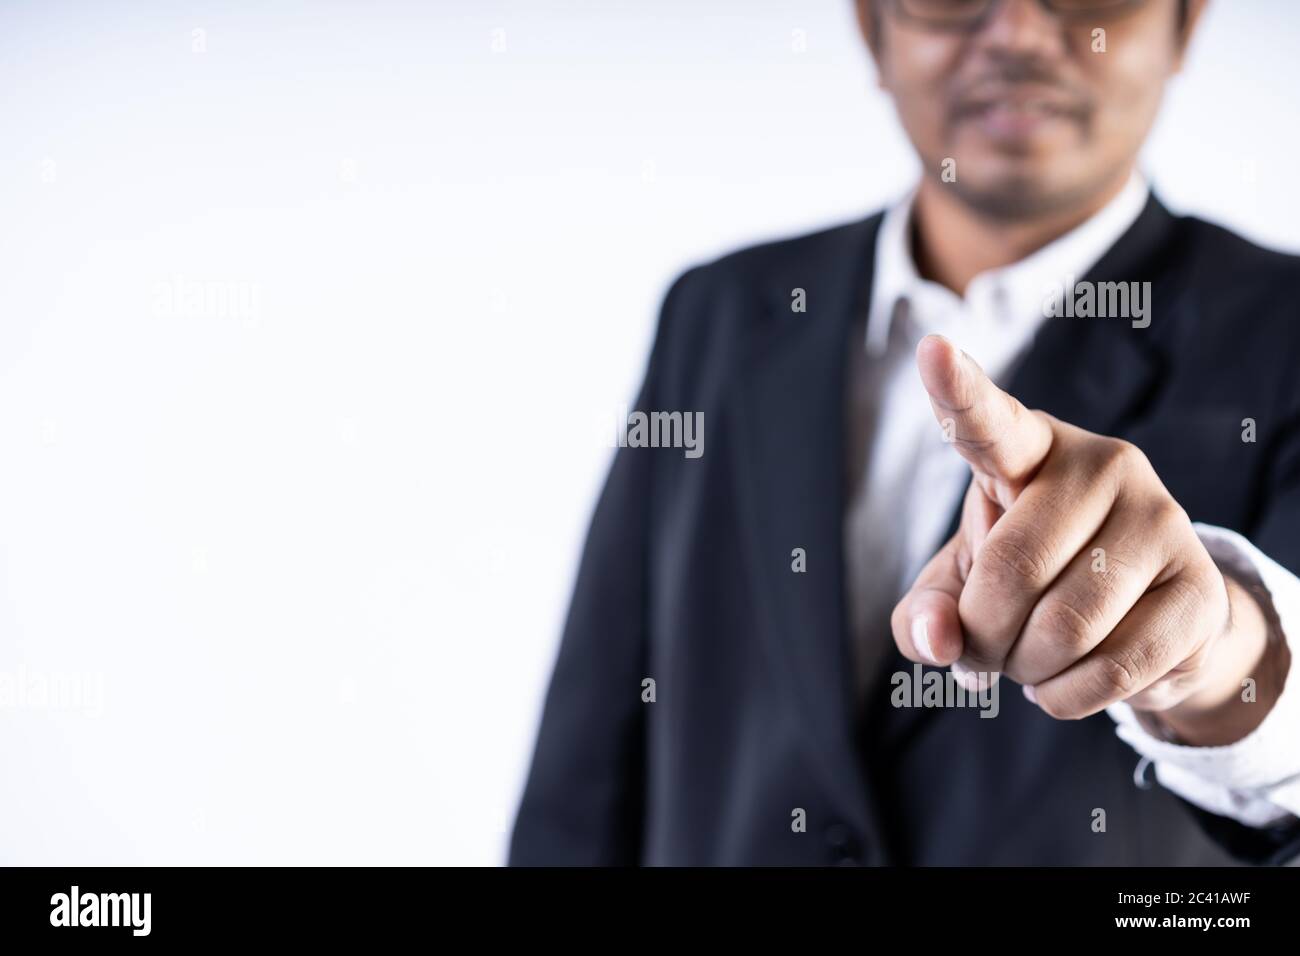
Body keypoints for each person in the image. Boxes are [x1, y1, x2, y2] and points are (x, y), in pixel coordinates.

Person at [509, 0, 1300, 865]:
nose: (1019, 35)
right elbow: (592, 747)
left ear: (1183, 27)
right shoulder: (723, 312)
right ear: (872, 32)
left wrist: (1207, 647)